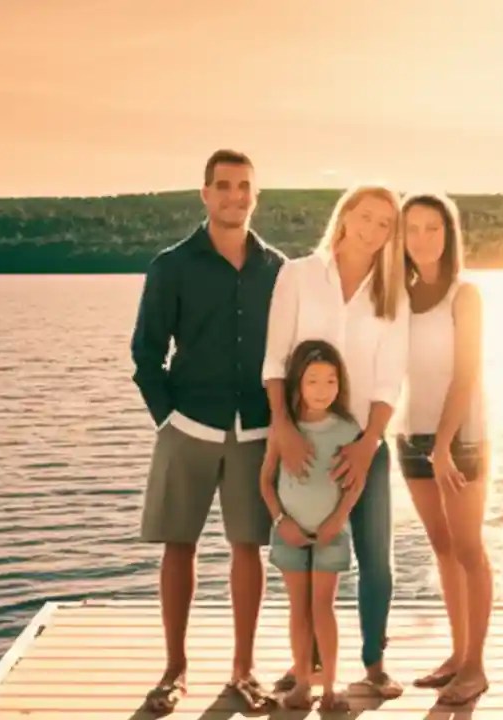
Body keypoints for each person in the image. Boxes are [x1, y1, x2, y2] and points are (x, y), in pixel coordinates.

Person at [129, 149, 287, 714]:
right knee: (180, 545)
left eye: (244, 186)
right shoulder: (172, 265)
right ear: (205, 193)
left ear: (255, 194)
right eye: (223, 186)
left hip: (255, 429)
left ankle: (243, 671)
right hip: (188, 424)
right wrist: (167, 416)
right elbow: (146, 352)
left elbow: (290, 351)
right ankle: (174, 669)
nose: (234, 197)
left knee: (250, 547)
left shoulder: (277, 268)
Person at [262, 183, 409, 698]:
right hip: (304, 443)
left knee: (375, 557)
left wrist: (369, 443)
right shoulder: (299, 275)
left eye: (385, 223)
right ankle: (306, 666)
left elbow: (390, 377)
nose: (373, 230)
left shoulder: (394, 293)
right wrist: (282, 428)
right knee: (303, 556)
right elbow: (277, 359)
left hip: (365, 442)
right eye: (365, 217)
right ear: (345, 216)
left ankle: (373, 662)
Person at [395, 191, 493, 705]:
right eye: (412, 228)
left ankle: (475, 666)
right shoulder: (399, 295)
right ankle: (456, 657)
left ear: (448, 235)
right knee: (442, 548)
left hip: (461, 440)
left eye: (433, 228)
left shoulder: (465, 294)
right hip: (411, 437)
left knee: (469, 548)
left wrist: (445, 444)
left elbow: (466, 371)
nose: (422, 238)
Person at [259, 339, 363, 712]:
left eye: (331, 381)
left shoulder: (347, 429)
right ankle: (303, 683)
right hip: (289, 532)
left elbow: (356, 482)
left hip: (331, 534)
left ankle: (331, 688)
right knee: (298, 608)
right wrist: (280, 521)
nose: (322, 391)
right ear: (297, 384)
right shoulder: (284, 429)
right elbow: (265, 481)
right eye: (313, 381)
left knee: (323, 608)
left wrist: (338, 518)